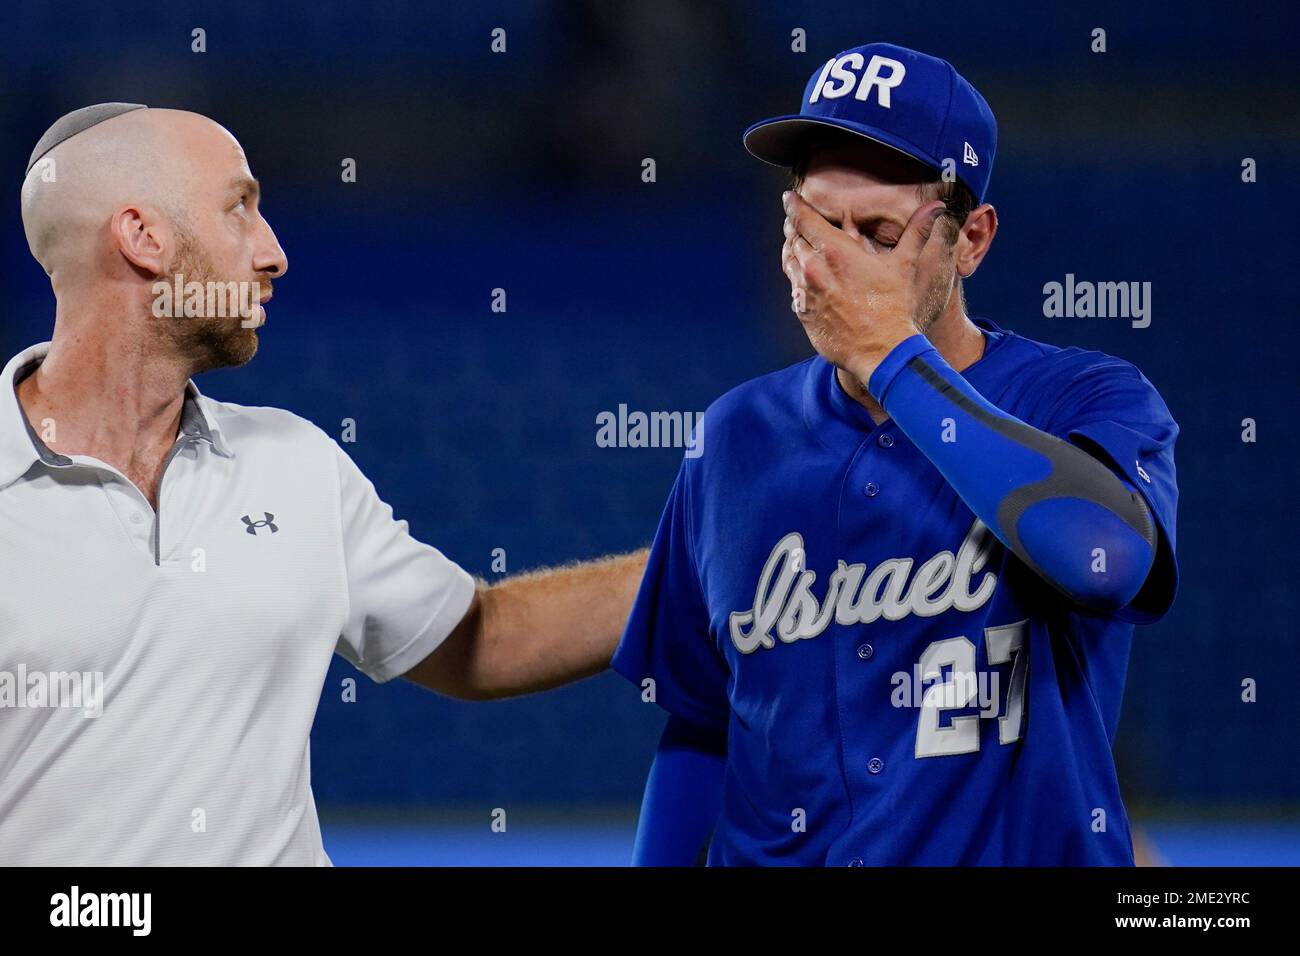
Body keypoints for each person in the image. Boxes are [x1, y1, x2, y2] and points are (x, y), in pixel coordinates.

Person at [1, 103, 645, 865]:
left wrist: (713, 553)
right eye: (239, 207)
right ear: (144, 237)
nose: (273, 253)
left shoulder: (296, 462)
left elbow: (482, 639)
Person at [614, 42, 1178, 866]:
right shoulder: (735, 436)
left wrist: (892, 358)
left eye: (877, 232)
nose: (836, 264)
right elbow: (701, 722)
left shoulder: (1086, 399)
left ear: (972, 239)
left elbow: (1106, 563)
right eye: (818, 225)